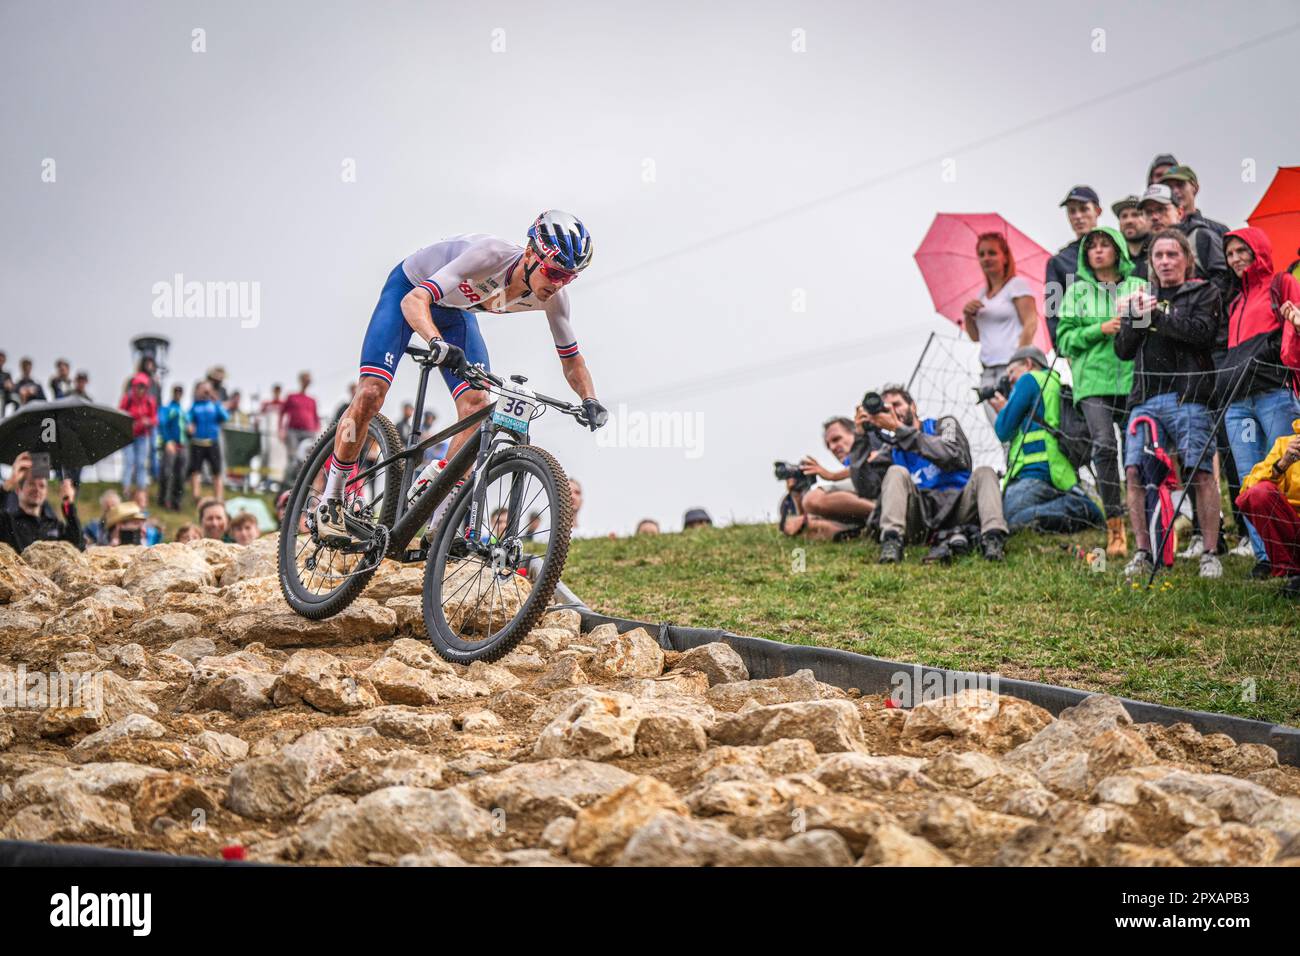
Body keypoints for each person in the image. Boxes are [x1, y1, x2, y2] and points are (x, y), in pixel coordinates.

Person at [316, 211, 608, 544]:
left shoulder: (555, 299)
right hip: (410, 291)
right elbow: (415, 301)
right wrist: (435, 341)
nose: (557, 284)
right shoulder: (490, 255)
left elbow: (571, 359)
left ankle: (440, 516)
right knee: (371, 392)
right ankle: (332, 497)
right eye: (554, 272)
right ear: (530, 254)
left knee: (477, 403)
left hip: (456, 312)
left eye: (568, 278)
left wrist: (590, 400)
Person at [1114, 229, 1223, 579]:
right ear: (1151, 262)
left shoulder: (1204, 292)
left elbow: (1201, 333)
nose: (1165, 261)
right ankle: (1144, 552)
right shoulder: (1142, 298)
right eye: (1158, 256)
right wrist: (1136, 317)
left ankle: (1209, 552)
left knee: (1199, 471)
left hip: (1189, 397)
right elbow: (1123, 349)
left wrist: (1156, 315)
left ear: (1187, 259)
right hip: (1145, 399)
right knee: (1133, 472)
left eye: (1172, 254)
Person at [1056, 226, 1145, 555]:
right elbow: (1064, 340)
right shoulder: (1075, 293)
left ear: (1118, 249)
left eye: (1104, 244)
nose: (1097, 250)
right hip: (1092, 382)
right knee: (1105, 448)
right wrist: (1099, 329)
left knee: (1138, 455)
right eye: (1090, 246)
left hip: (1134, 381)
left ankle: (1148, 526)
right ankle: (1115, 529)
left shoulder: (1138, 286)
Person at [1218, 227, 1300, 573]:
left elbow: (1293, 330)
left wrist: (1264, 353)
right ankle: (1265, 558)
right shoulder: (1234, 301)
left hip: (1274, 394)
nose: (1235, 258)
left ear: (1259, 250)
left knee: (1288, 471)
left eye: (1242, 250)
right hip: (1237, 403)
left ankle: (1292, 556)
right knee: (1250, 477)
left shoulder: (1281, 283)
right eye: (1230, 253)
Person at [870, 384, 1008, 563]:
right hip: (920, 515)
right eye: (887, 409)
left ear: (913, 406)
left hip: (959, 505)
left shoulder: (944, 424)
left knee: (985, 472)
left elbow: (952, 455)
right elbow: (867, 487)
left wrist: (901, 431)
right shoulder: (891, 447)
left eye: (897, 404)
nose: (894, 411)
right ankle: (892, 542)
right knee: (895, 472)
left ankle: (993, 538)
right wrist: (859, 436)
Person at [990, 347, 1103, 533]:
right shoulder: (1054, 382)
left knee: (1008, 519)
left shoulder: (1029, 379)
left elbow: (1003, 430)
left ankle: (1081, 507)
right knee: (1013, 518)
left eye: (1011, 372)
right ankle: (1074, 502)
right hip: (1059, 472)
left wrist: (1004, 408)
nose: (1009, 379)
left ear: (1028, 364)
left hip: (1035, 472)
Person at [961, 232, 1039, 427]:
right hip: (987, 371)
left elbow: (1031, 323)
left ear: (1005, 257)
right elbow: (975, 336)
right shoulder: (982, 295)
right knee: (1000, 429)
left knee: (1017, 425)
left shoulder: (1016, 286)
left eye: (992, 253)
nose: (986, 258)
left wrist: (1018, 360)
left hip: (1010, 367)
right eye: (982, 254)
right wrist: (968, 316)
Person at [781, 414, 886, 540]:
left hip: (882, 491)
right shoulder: (851, 462)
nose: (832, 448)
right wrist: (796, 493)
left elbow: (870, 464)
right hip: (868, 499)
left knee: (813, 499)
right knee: (797, 522)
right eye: (828, 445)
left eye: (836, 439)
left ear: (855, 432)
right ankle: (858, 531)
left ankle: (885, 515)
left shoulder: (872, 440)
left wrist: (831, 476)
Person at [1235, 420, 1300, 597]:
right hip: (1295, 530)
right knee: (1259, 494)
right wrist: (1281, 465)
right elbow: (1246, 491)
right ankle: (1294, 571)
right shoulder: (1285, 444)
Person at [1158, 166, 1231, 298]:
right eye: (1169, 188)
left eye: (1180, 185)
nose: (1175, 191)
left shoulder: (1216, 230)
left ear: (1195, 188)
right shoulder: (1156, 235)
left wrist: (1201, 299)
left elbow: (1227, 277)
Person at [1043, 186, 1103, 346]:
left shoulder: (1118, 252)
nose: (1078, 216)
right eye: (1072, 211)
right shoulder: (1059, 262)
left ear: (1097, 211)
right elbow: (1052, 310)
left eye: (1084, 209)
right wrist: (1061, 348)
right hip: (1080, 346)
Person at [0, 453, 83, 553]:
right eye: (31, 484)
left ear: (46, 491)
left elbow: (78, 547)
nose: (37, 489)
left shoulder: (55, 526)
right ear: (18, 489)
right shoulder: (7, 523)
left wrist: (68, 504)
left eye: (42, 485)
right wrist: (9, 483)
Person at [118, 372, 158, 498]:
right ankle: (126, 488)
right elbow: (119, 415)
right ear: (134, 387)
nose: (141, 390)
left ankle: (141, 489)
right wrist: (130, 423)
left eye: (143, 387)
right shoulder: (127, 399)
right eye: (139, 386)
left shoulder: (149, 401)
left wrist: (148, 421)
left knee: (141, 463)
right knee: (129, 461)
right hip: (128, 436)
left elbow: (155, 419)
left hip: (142, 436)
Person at [188, 381, 229, 502]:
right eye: (203, 389)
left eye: (208, 389)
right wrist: (189, 425)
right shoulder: (195, 406)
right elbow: (188, 418)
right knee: (196, 470)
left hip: (212, 442)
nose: (206, 392)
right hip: (198, 442)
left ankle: (219, 497)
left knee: (217, 471)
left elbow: (225, 417)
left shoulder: (215, 405)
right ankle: (196, 496)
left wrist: (216, 402)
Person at [280, 371, 321, 476]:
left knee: (307, 458)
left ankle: (302, 483)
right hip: (293, 431)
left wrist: (317, 431)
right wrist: (281, 430)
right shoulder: (291, 397)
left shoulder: (312, 400)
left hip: (308, 432)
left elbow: (316, 417)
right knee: (293, 457)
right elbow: (282, 413)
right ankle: (289, 480)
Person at [158, 384, 187, 510]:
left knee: (180, 474)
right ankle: (163, 499)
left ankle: (177, 501)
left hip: (182, 444)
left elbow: (186, 426)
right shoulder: (167, 409)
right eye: (176, 392)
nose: (178, 394)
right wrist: (168, 441)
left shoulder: (182, 411)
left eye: (180, 392)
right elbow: (163, 424)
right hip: (171, 444)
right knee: (167, 472)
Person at [1111, 196, 1152, 282]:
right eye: (1124, 216)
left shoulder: (1159, 251)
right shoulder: (1113, 257)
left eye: (1136, 215)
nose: (1129, 221)